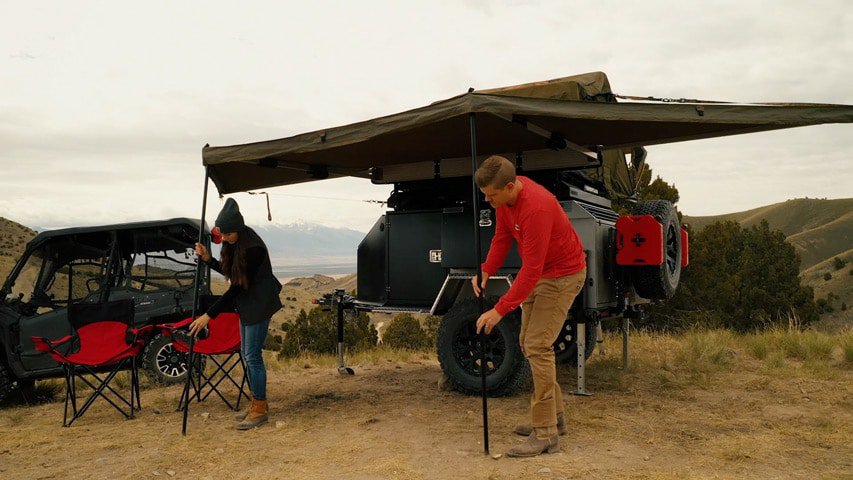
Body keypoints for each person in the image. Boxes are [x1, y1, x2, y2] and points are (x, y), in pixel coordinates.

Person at [471, 155, 587, 458]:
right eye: (485, 194)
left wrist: (500, 310)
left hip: (562, 276)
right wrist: (486, 268)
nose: (487, 199)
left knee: (537, 345)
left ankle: (546, 434)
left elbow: (531, 270)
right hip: (542, 274)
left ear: (510, 187)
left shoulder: (535, 207)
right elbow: (502, 237)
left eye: (491, 195)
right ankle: (555, 418)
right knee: (528, 343)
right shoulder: (505, 203)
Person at [189, 198, 283, 430]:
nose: (225, 238)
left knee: (252, 355)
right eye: (223, 234)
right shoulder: (234, 242)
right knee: (246, 352)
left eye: (228, 234)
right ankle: (257, 403)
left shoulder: (253, 249)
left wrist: (209, 315)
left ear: (237, 229)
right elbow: (230, 271)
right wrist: (209, 259)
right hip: (247, 304)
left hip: (260, 304)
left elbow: (237, 285)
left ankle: (259, 408)